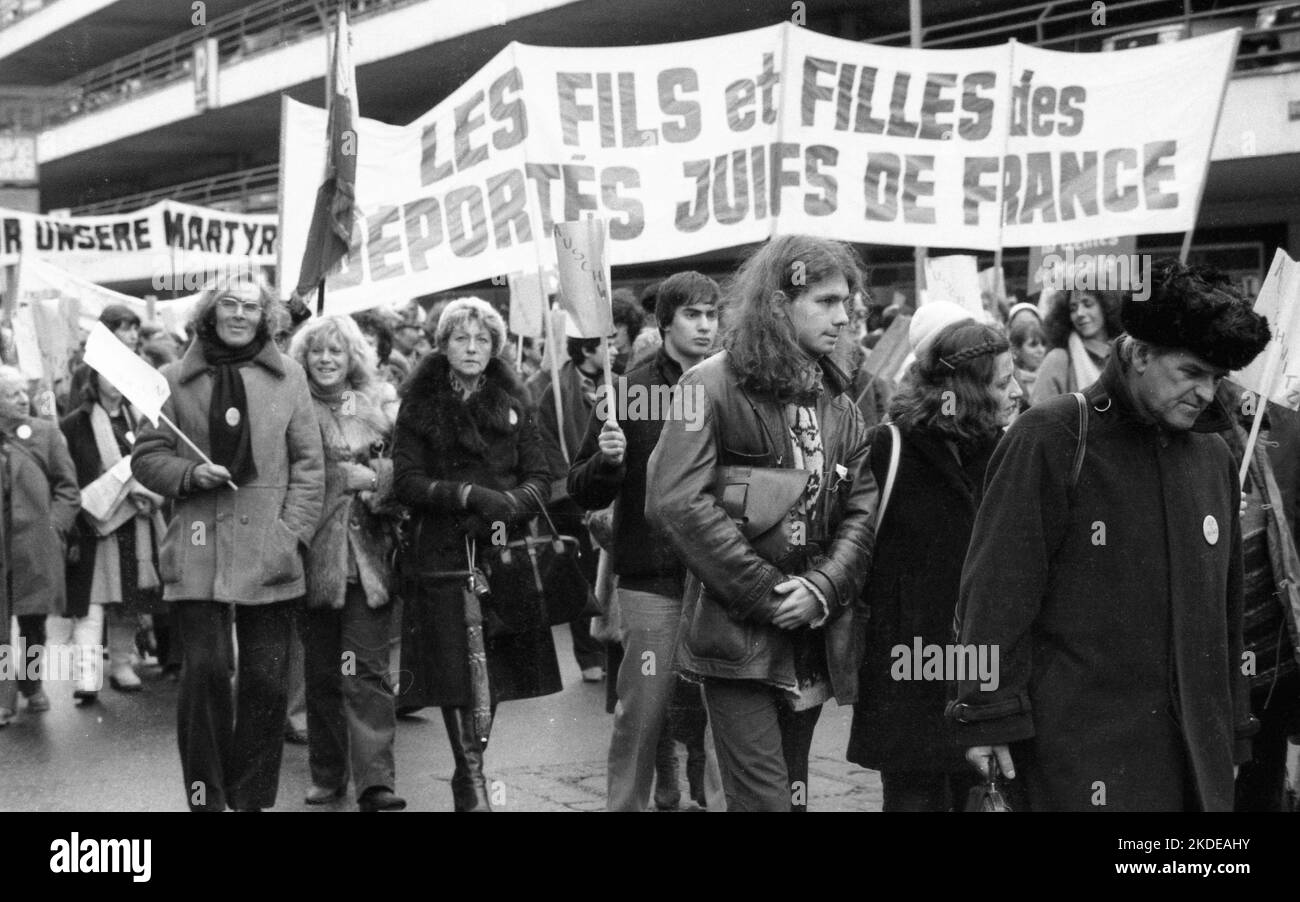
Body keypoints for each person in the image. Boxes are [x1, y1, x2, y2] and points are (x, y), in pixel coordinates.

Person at [949, 260, 1270, 811]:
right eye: (1191, 371)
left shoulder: (1215, 455)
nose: (1205, 392)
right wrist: (987, 713)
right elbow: (995, 591)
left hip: (1196, 762)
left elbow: (1226, 615)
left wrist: (1232, 733)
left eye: (1216, 378)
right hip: (1079, 758)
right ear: (1140, 353)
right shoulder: (1052, 436)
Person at [646, 235, 878, 812]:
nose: (843, 315)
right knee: (765, 802)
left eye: (845, 301)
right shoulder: (708, 384)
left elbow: (862, 507)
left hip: (811, 634)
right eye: (825, 301)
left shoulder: (840, 402)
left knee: (791, 797)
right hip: (738, 636)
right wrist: (768, 592)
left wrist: (822, 588)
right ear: (778, 305)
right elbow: (676, 502)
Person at [131, 275, 325, 812]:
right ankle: (206, 798)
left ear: (266, 317)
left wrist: (290, 536)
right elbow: (146, 457)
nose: (240, 314)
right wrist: (191, 475)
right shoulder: (171, 378)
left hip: (271, 551)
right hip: (198, 549)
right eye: (229, 305)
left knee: (266, 681)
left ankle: (250, 798)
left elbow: (310, 467)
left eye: (251, 306)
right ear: (211, 314)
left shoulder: (290, 378)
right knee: (208, 673)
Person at [391, 297, 561, 811]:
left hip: (501, 550)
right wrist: (465, 496)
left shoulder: (516, 399)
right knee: (458, 669)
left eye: (482, 340)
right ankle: (471, 780)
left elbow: (541, 476)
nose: (471, 348)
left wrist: (507, 505)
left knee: (497, 665)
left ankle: (474, 767)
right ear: (442, 346)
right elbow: (406, 480)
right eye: (461, 339)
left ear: (495, 348)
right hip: (442, 554)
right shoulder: (419, 403)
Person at [846, 319, 1022, 811]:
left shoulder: (1010, 452)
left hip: (982, 671)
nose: (1017, 391)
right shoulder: (890, 448)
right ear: (967, 388)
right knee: (915, 800)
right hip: (906, 679)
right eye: (1004, 381)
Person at [567, 270, 726, 811]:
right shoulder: (629, 391)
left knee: (724, 720)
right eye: (693, 315)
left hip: (722, 578)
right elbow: (580, 489)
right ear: (666, 323)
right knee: (642, 713)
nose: (706, 326)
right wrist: (608, 463)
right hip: (652, 581)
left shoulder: (735, 383)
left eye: (712, 315)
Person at [290, 315, 407, 812]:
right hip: (312, 559)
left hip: (369, 561)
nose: (326, 359)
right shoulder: (293, 406)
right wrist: (343, 478)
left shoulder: (379, 403)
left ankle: (375, 782)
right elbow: (287, 478)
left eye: (336, 351)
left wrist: (376, 478)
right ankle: (327, 774)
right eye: (317, 351)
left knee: (367, 672)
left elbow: (407, 473)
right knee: (321, 675)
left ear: (352, 355)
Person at [61, 365, 167, 700]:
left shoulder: (141, 420)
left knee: (128, 603)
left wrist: (149, 495)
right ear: (93, 381)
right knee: (90, 603)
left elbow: (158, 466)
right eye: (109, 376)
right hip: (92, 524)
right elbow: (67, 476)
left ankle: (122, 665)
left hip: (135, 522)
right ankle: (87, 676)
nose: (117, 383)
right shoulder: (74, 424)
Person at [0, 366, 80, 726]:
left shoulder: (45, 433)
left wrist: (54, 526)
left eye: (22, 391)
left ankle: (31, 684)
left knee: (33, 622)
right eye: (11, 393)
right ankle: (3, 695)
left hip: (34, 544)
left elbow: (68, 487)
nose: (21, 398)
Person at [1031, 287, 1123, 403]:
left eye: (1087, 304)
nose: (1079, 313)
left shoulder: (1124, 353)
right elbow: (1039, 416)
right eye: (1073, 308)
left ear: (1106, 306)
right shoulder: (1058, 359)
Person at [1007, 302, 1047, 409]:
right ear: (1016, 350)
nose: (1040, 350)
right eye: (1033, 345)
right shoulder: (1007, 380)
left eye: (1043, 344)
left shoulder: (1052, 373)